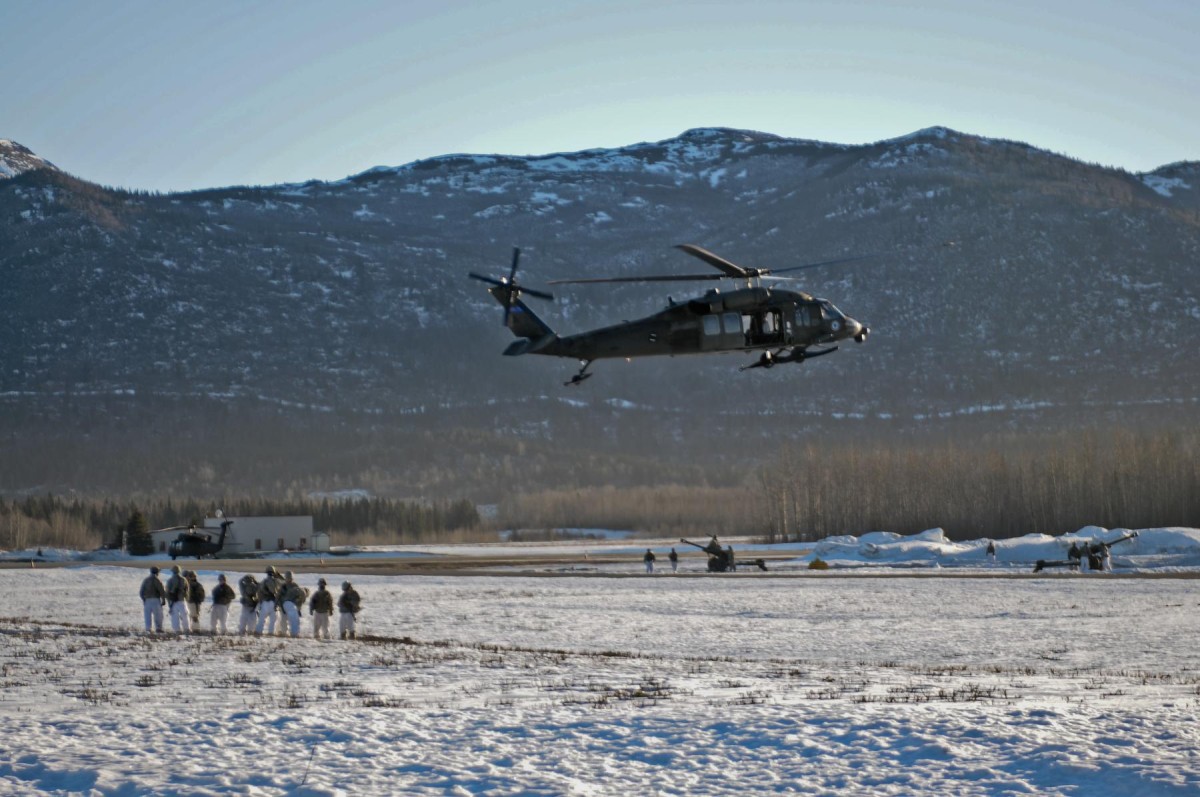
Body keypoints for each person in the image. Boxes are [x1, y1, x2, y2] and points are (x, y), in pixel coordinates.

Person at [277, 571, 307, 637]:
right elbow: (278, 596)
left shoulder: (294, 585)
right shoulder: (283, 586)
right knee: (284, 620)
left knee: (292, 619)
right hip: (283, 605)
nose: (289, 579)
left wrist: (298, 607)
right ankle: (284, 633)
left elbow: (299, 595)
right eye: (288, 578)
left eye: (290, 578)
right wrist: (278, 605)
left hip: (291, 605)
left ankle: (293, 633)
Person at [255, 566, 281, 636]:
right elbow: (284, 584)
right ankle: (271, 633)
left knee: (261, 620)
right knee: (273, 621)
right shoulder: (276, 581)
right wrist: (279, 576)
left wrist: (260, 602)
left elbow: (259, 592)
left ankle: (258, 632)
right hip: (273, 603)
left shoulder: (263, 581)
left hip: (265, 603)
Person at [165, 565, 191, 634]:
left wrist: (169, 602)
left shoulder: (170, 580)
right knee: (185, 615)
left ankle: (177, 630)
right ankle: (187, 629)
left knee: (175, 616)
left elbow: (167, 592)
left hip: (173, 601)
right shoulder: (184, 579)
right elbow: (187, 590)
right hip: (182, 600)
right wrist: (187, 598)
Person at [139, 566, 167, 633]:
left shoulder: (146, 580)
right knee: (158, 615)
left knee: (147, 616)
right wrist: (163, 600)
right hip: (155, 600)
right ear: (157, 572)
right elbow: (162, 591)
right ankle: (158, 628)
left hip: (147, 600)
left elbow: (141, 592)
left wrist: (144, 599)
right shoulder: (157, 580)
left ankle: (148, 629)